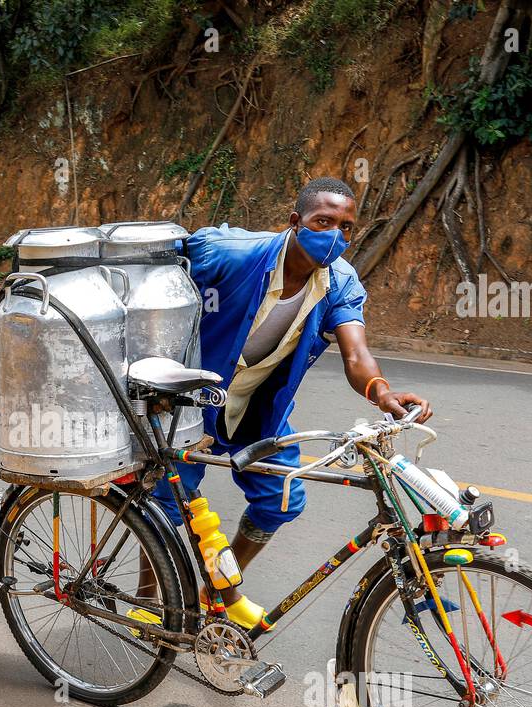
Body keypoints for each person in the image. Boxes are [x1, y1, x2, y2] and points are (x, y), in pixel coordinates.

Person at [153, 176, 433, 627]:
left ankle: (216, 594)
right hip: (190, 401)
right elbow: (160, 298)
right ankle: (150, 605)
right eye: (323, 222)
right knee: (169, 499)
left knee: (280, 500)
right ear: (294, 222)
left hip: (259, 407)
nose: (335, 236)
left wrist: (382, 391)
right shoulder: (230, 256)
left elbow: (356, 353)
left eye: (345, 227)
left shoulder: (340, 282)